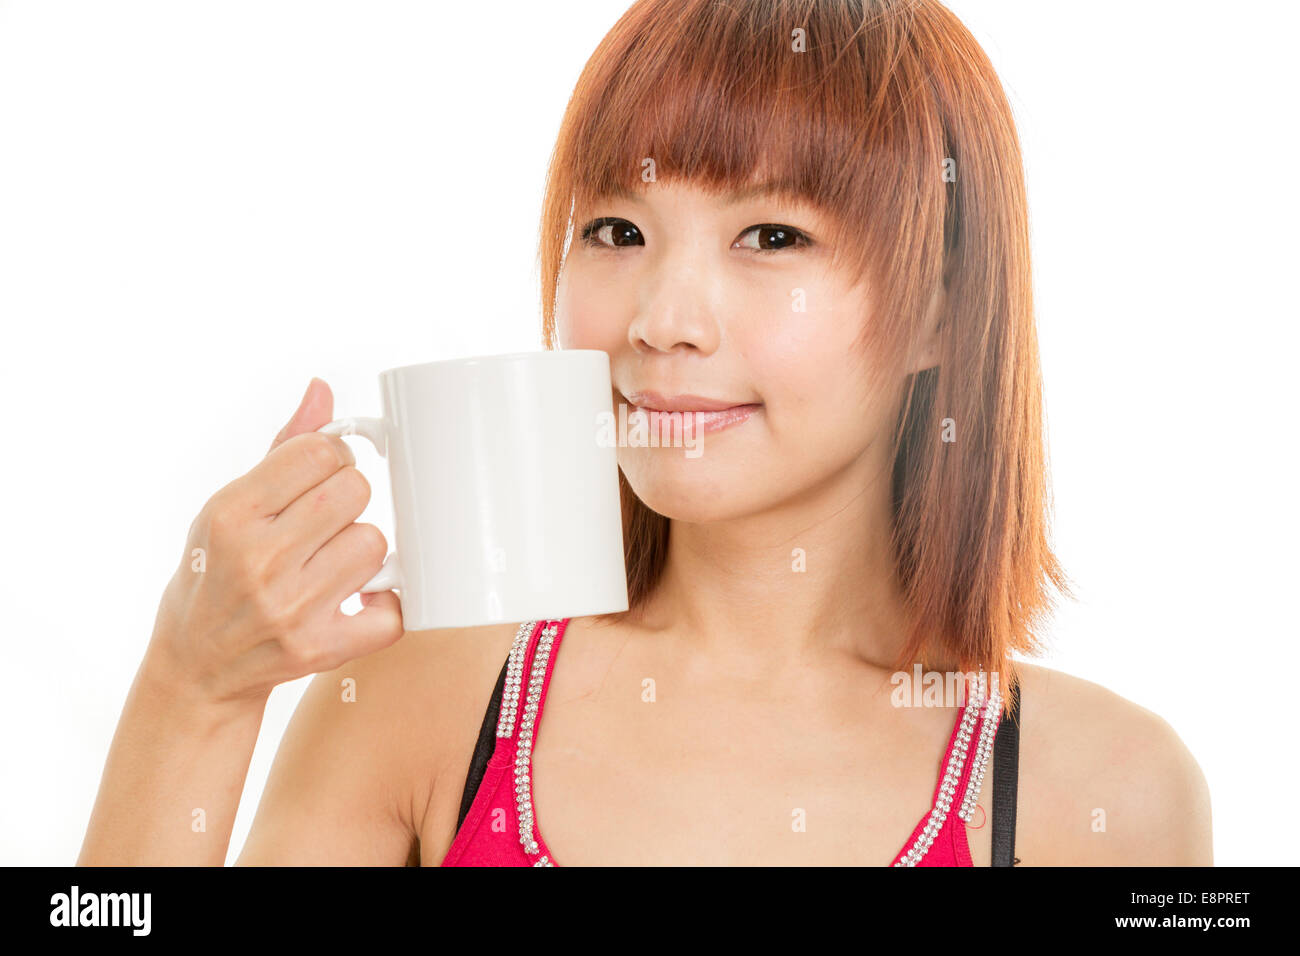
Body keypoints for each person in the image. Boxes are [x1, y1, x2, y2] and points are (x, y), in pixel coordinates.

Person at [78, 0, 1211, 866]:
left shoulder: (1109, 792)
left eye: (771, 237)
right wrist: (193, 689)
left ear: (936, 313)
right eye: (617, 229)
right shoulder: (421, 699)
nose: (662, 320)